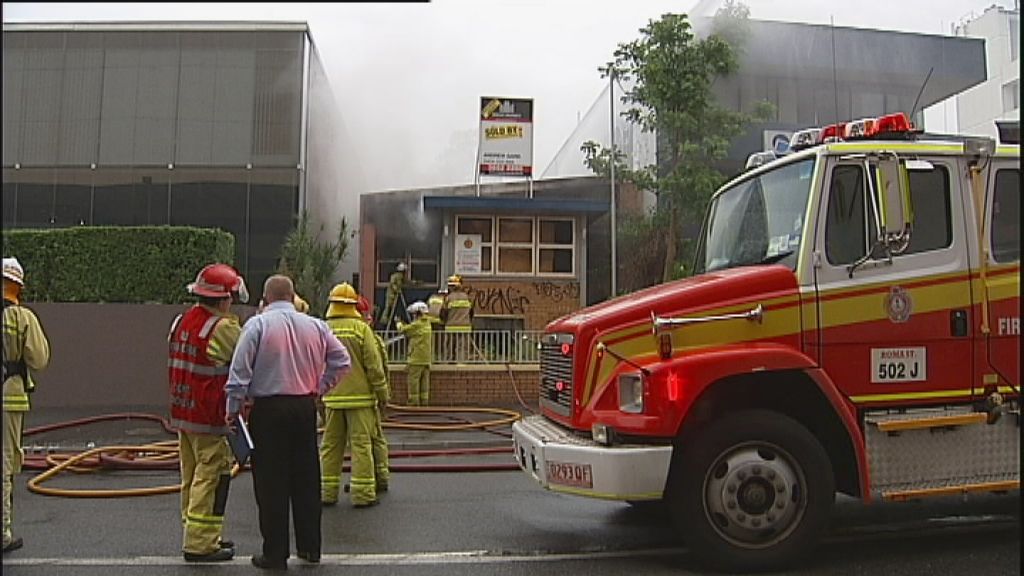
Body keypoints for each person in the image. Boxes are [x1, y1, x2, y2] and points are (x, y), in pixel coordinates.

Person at [225, 275, 351, 570]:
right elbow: (342, 360)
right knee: (306, 479)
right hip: (304, 408)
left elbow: (238, 374)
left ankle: (275, 553)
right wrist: (320, 386)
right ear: (293, 296)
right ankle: (310, 547)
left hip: (268, 410)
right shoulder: (316, 325)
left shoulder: (257, 325)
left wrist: (232, 411)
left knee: (271, 484)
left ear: (265, 298)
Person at [168, 263, 247, 563]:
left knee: (192, 474)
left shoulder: (183, 321)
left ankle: (199, 533)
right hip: (209, 415)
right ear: (224, 299)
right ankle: (200, 544)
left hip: (183, 412)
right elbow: (247, 353)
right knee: (211, 475)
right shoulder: (222, 327)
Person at [320, 283, 388, 508]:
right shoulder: (361, 330)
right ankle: (363, 494)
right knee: (361, 446)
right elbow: (374, 367)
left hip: (332, 397)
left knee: (330, 446)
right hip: (360, 400)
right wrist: (383, 395)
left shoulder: (323, 328)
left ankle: (326, 492)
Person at [2, 257, 50, 555]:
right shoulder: (21, 318)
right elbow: (39, 359)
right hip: (10, 398)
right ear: (18, 286)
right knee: (5, 462)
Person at [356, 296, 391, 493]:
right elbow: (381, 369)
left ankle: (373, 480)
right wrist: (384, 395)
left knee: (364, 442)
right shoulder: (368, 336)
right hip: (368, 397)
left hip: (359, 398)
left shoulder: (344, 331)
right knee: (373, 439)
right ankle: (379, 477)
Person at [397, 301, 433, 406]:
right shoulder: (427, 323)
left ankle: (413, 404)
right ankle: (424, 403)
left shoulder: (417, 324)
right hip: (426, 359)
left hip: (416, 359)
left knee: (414, 382)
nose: (413, 316)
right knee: (424, 383)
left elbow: (403, 330)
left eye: (414, 314)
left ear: (418, 313)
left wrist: (399, 323)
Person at [441, 275, 474, 363]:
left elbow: (443, 312)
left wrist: (444, 321)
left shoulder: (449, 298)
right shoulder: (467, 297)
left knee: (449, 348)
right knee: (463, 347)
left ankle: (448, 364)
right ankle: (462, 364)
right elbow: (471, 312)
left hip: (451, 326)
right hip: (465, 327)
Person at [379, 262, 407, 330]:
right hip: (391, 294)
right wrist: (396, 290)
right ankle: (384, 319)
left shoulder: (401, 276)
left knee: (392, 308)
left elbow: (403, 282)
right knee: (388, 307)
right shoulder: (395, 276)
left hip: (395, 294)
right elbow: (392, 283)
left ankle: (392, 319)